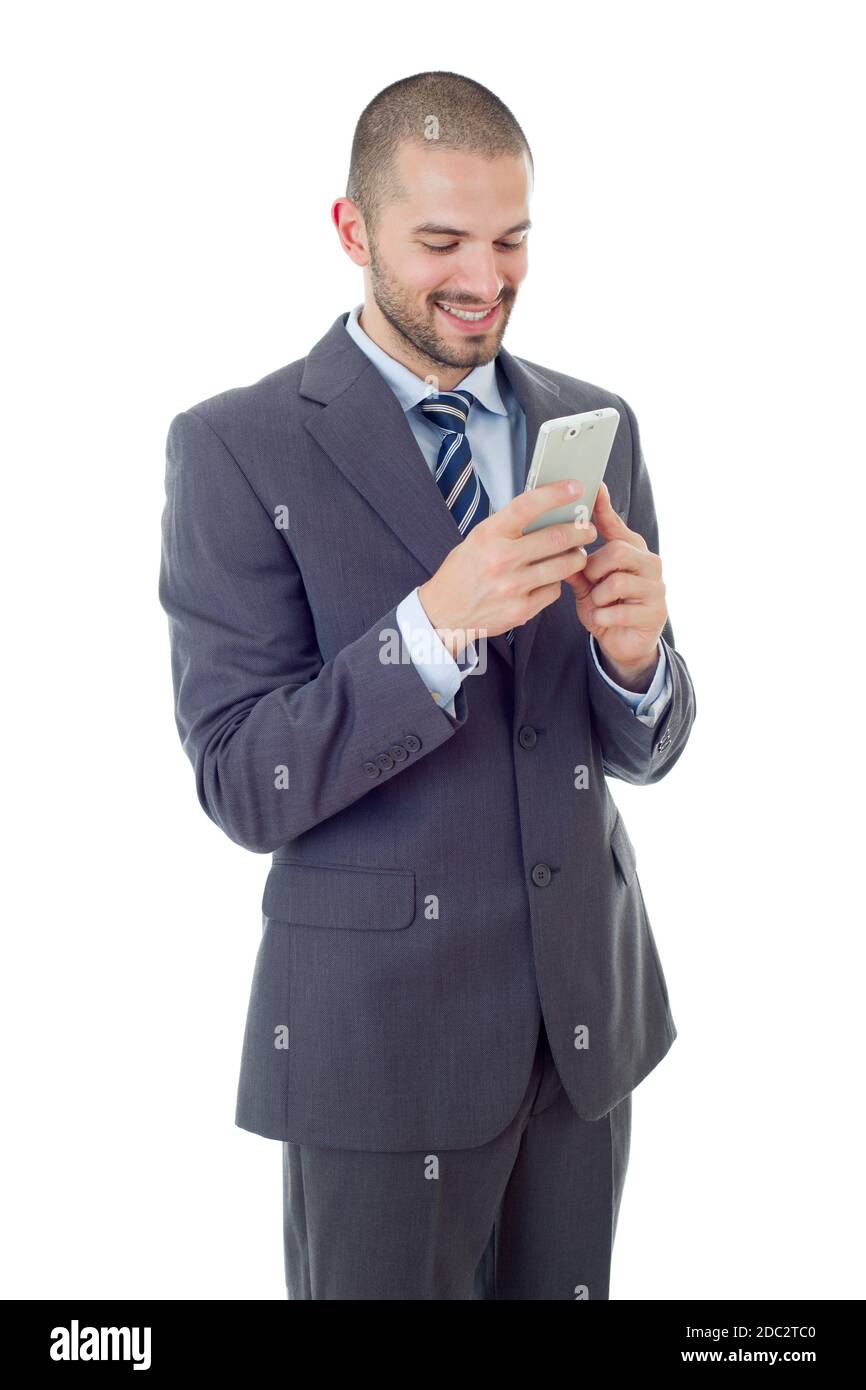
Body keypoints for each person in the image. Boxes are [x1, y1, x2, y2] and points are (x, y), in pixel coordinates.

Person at [158, 69, 697, 1300]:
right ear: (351, 232)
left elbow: (643, 746)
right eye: (441, 241)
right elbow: (241, 778)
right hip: (374, 1050)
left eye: (511, 241)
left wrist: (636, 660)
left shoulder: (591, 418)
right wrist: (432, 629)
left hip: (582, 1034)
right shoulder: (237, 447)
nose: (484, 279)